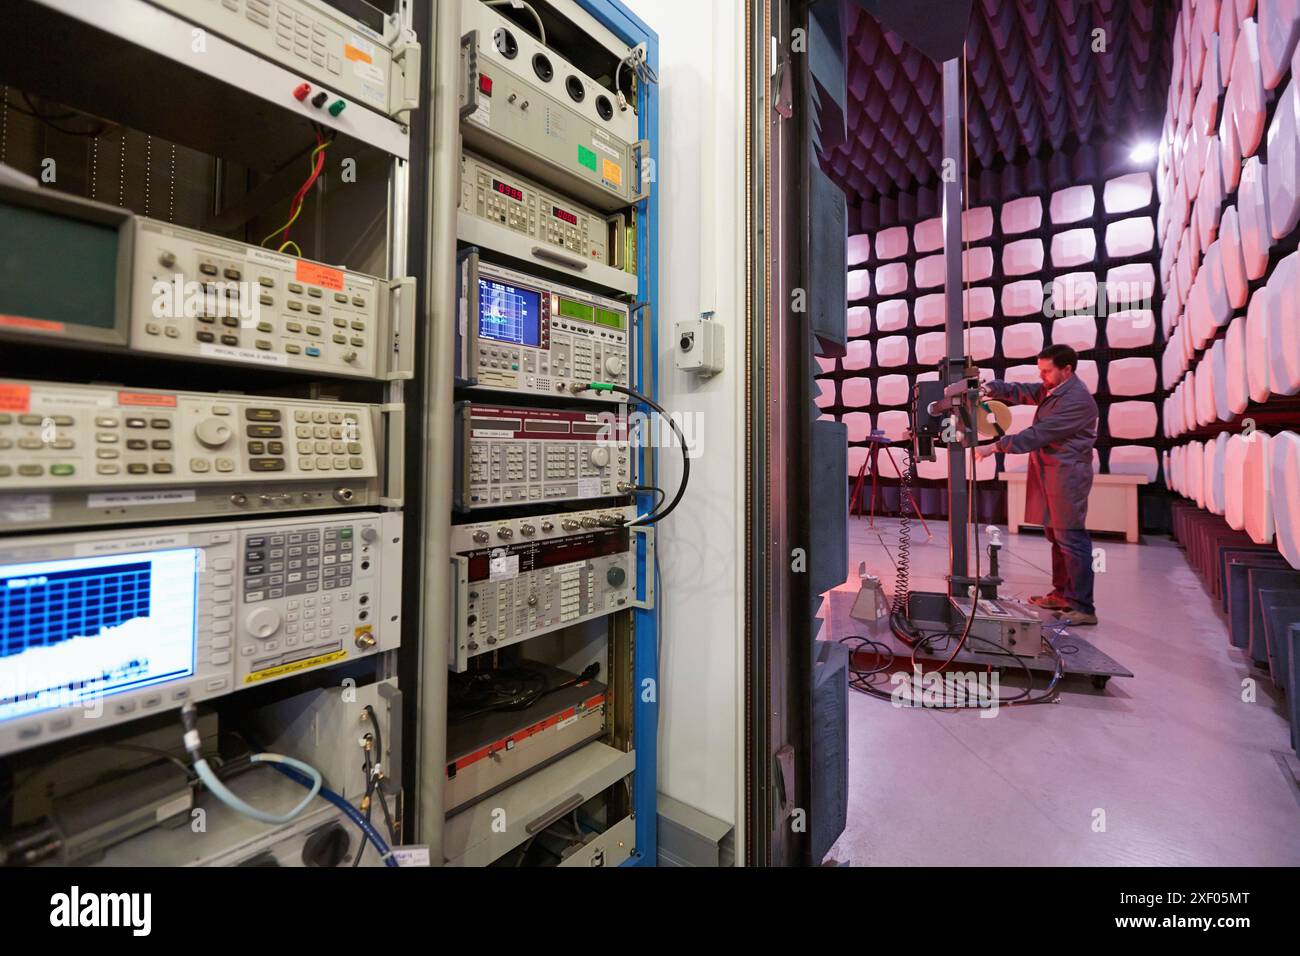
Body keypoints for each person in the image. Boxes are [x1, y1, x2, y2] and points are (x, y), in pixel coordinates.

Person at [974, 345, 1099, 626]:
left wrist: (994, 446)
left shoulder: (1076, 400)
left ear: (1067, 369)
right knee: (1058, 538)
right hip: (1050, 473)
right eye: (1040, 370)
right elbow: (1023, 391)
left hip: (1067, 477)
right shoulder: (1054, 388)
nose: (1041, 376)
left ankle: (1083, 607)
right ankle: (1062, 594)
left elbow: (1038, 434)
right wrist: (992, 389)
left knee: (1071, 539)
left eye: (1047, 370)